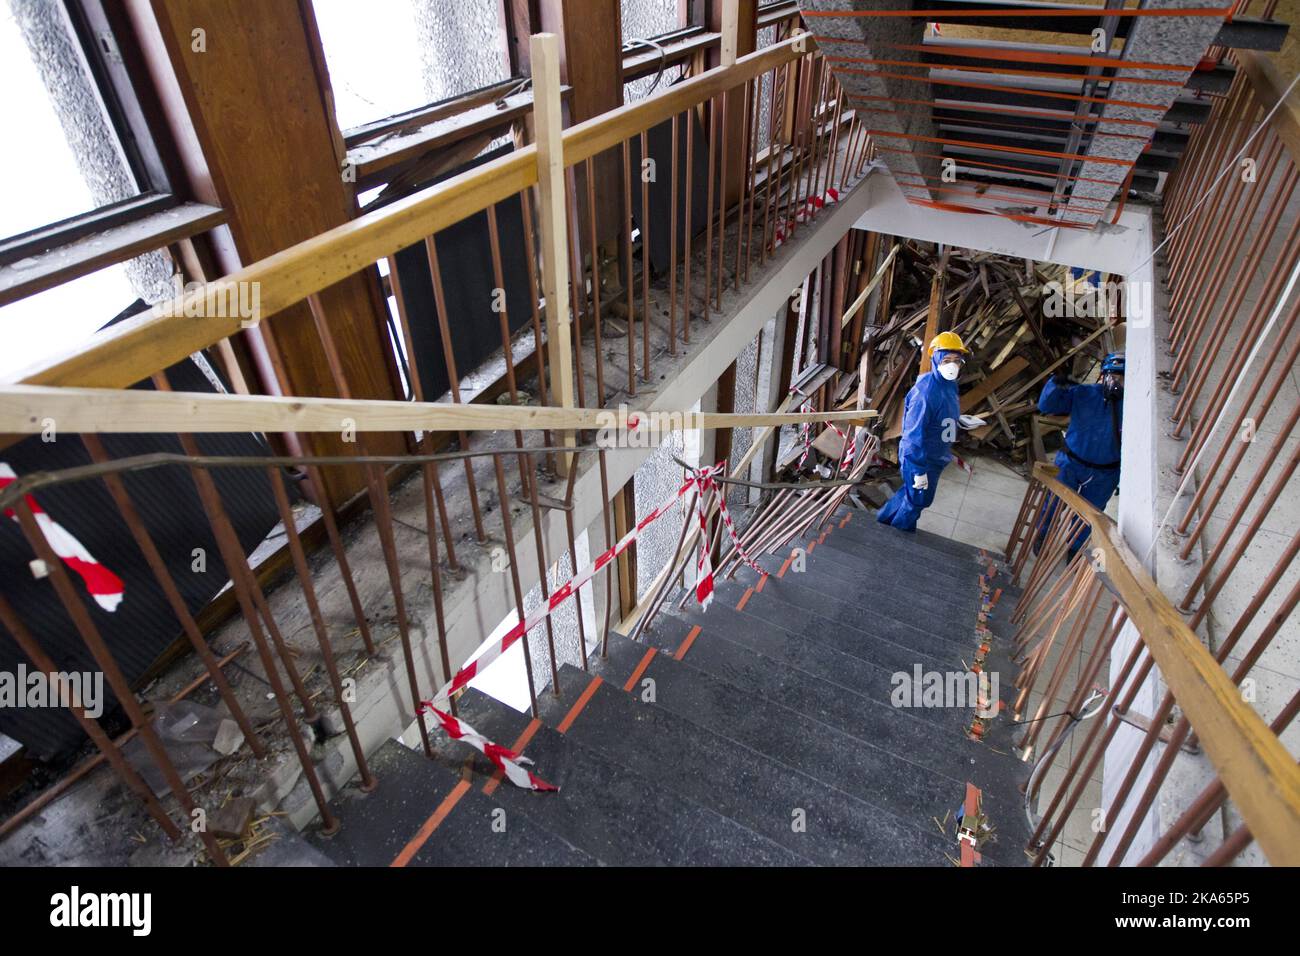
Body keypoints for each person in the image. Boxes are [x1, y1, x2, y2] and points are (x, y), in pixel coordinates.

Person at [877, 331, 981, 532]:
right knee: (919, 500)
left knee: (910, 493)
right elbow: (912, 437)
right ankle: (895, 538)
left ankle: (882, 520)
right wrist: (918, 471)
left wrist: (957, 422)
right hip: (922, 458)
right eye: (947, 360)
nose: (952, 365)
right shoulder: (925, 394)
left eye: (957, 360)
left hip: (937, 454)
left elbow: (941, 414)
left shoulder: (948, 384)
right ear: (936, 359)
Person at [1034, 351, 1125, 558]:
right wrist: (1056, 385)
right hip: (1071, 463)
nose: (1116, 382)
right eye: (1113, 376)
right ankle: (1044, 535)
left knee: (1088, 514)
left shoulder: (1130, 407)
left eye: (1121, 378)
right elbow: (1046, 406)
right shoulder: (1085, 394)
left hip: (1105, 474)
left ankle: (1074, 549)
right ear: (1103, 375)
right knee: (1054, 502)